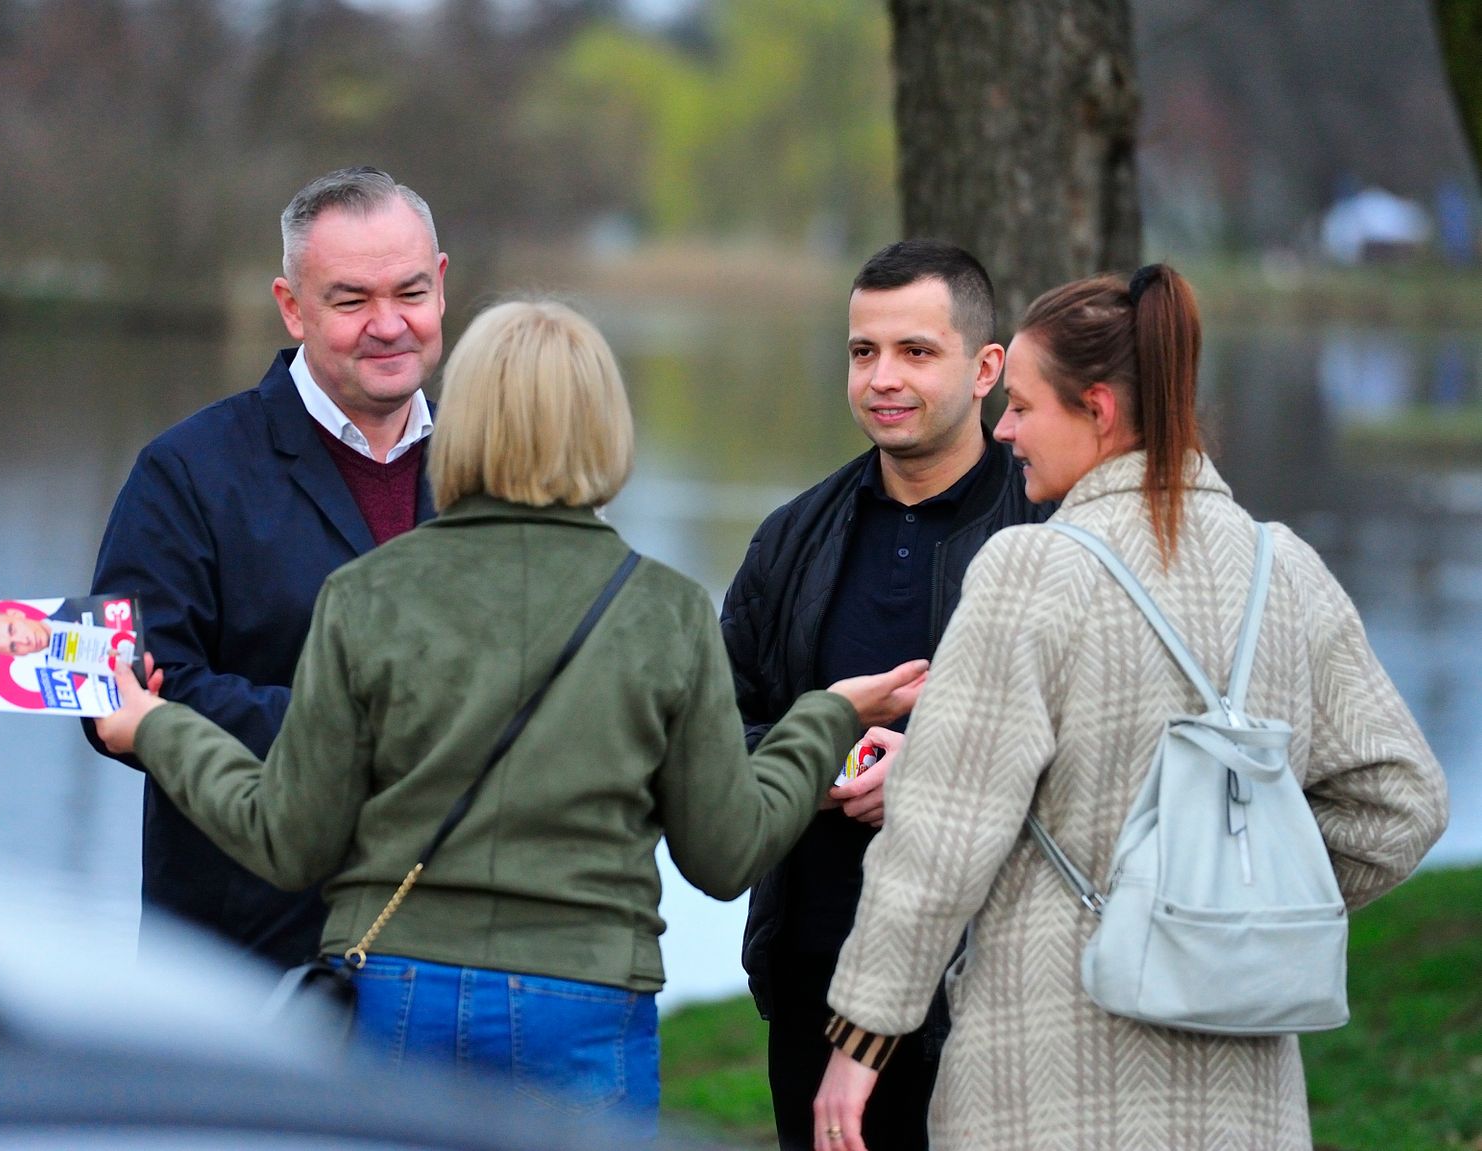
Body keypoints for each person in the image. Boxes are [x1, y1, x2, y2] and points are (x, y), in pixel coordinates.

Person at [94, 298, 929, 1132]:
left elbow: (288, 835)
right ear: (606, 424)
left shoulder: (365, 595)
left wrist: (158, 728)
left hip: (397, 988)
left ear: (463, 424)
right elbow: (725, 850)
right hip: (585, 1000)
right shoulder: (665, 609)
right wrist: (822, 717)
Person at [812, 264, 1450, 1151]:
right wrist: (1228, 909)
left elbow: (942, 836)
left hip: (1045, 1086)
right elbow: (1402, 802)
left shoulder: (1031, 571)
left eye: (1025, 407)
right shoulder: (1284, 569)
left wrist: (861, 1036)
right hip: (1248, 1102)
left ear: (1100, 409)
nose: (1003, 432)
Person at [720, 239, 1053, 1151]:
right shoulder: (792, 539)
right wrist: (808, 749)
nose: (882, 378)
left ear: (987, 368)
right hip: (813, 985)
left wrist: (937, 770)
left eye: (915, 351)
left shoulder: (1052, 539)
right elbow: (712, 730)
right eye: (864, 352)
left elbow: (1109, 762)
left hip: (997, 996)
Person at [85, 167, 447, 969]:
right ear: (291, 306)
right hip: (242, 968)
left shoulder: (498, 469)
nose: (388, 325)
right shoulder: (187, 471)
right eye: (351, 301)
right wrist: (366, 735)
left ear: (443, 285)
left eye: (410, 293)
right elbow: (121, 693)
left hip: (453, 966)